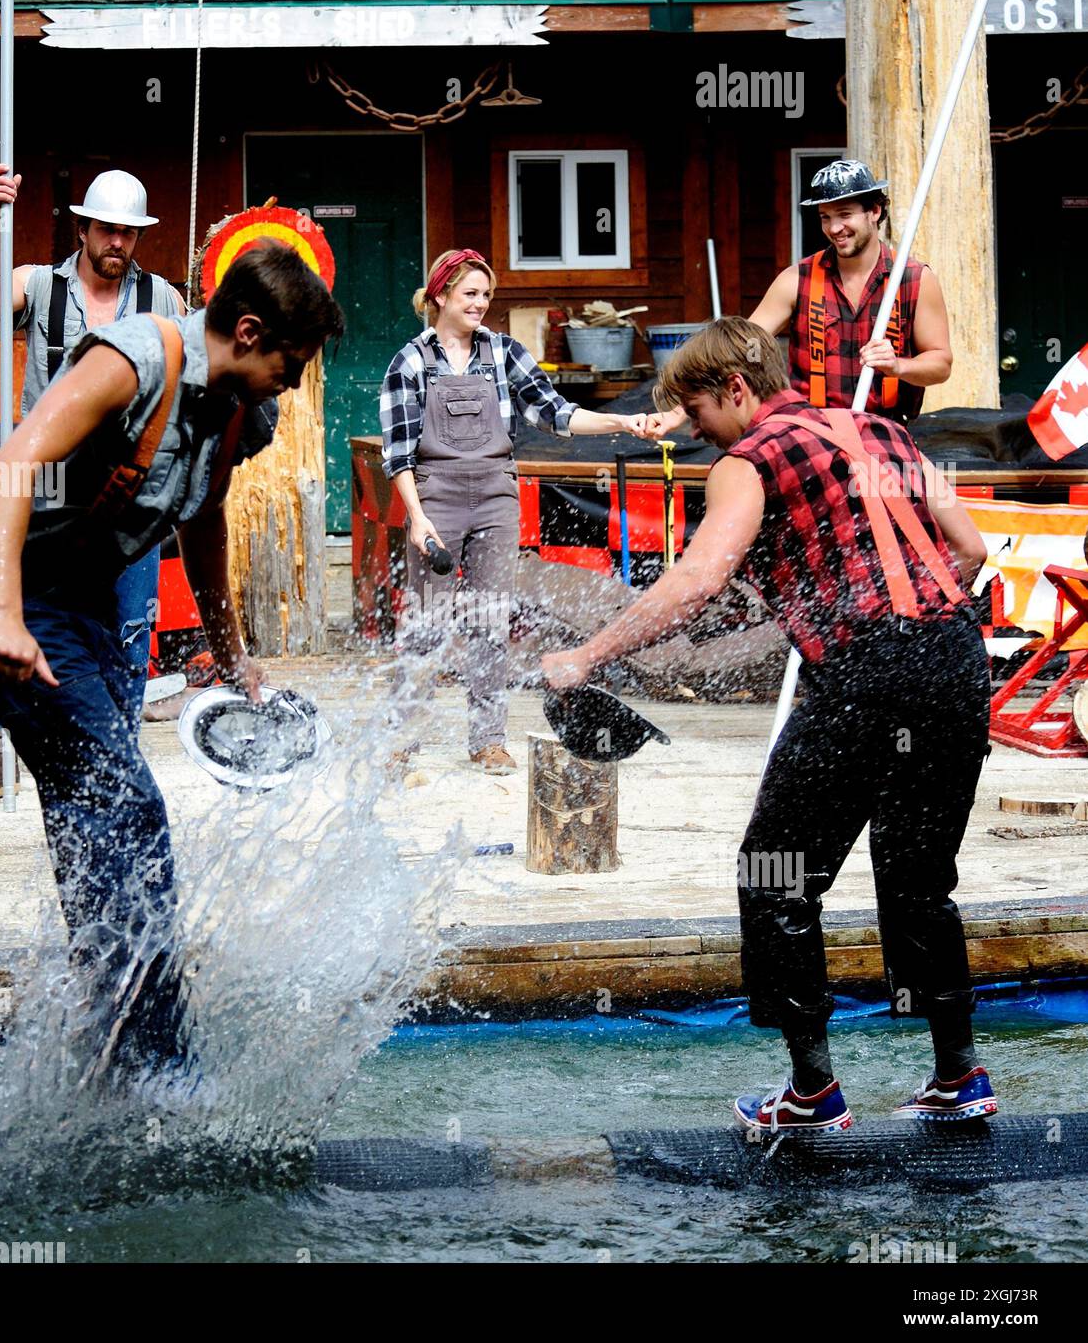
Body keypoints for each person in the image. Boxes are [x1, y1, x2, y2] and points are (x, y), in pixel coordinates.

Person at [542, 317, 997, 1130]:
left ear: (737, 390)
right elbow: (969, 549)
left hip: (866, 673)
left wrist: (590, 655)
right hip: (958, 661)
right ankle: (959, 1075)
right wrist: (907, 619)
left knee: (776, 871)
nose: (698, 434)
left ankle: (813, 1091)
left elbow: (697, 580)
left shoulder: (750, 460)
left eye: (699, 413)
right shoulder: (884, 431)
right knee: (919, 875)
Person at [0, 240, 344, 1079]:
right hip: (18, 606)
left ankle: (105, 1044)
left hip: (87, 613)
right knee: (129, 811)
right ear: (246, 331)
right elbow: (11, 469)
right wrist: (10, 621)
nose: (295, 380)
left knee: (93, 825)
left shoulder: (240, 411)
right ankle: (157, 1064)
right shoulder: (137, 356)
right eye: (292, 360)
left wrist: (232, 657)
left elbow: (204, 525)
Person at [0, 167, 186, 804]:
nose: (118, 242)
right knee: (11, 611)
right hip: (45, 485)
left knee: (129, 628)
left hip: (125, 491)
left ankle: (120, 756)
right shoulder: (40, 286)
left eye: (128, 233)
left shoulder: (161, 299)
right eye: (107, 229)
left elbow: (187, 378)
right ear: (83, 229)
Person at [381, 248, 651, 774]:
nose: (480, 303)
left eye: (486, 294)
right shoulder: (410, 361)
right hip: (435, 497)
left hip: (495, 496)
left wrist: (623, 423)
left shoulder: (504, 354)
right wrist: (416, 516)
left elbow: (557, 414)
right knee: (425, 622)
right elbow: (398, 453)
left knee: (490, 620)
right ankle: (401, 738)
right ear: (439, 296)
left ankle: (487, 739)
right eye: (469, 294)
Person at [643, 160, 951, 438]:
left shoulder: (914, 280)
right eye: (825, 217)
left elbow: (940, 364)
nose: (834, 228)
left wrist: (897, 366)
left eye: (845, 215)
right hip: (812, 436)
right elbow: (735, 352)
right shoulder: (796, 281)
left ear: (875, 211)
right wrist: (679, 412)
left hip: (889, 435)